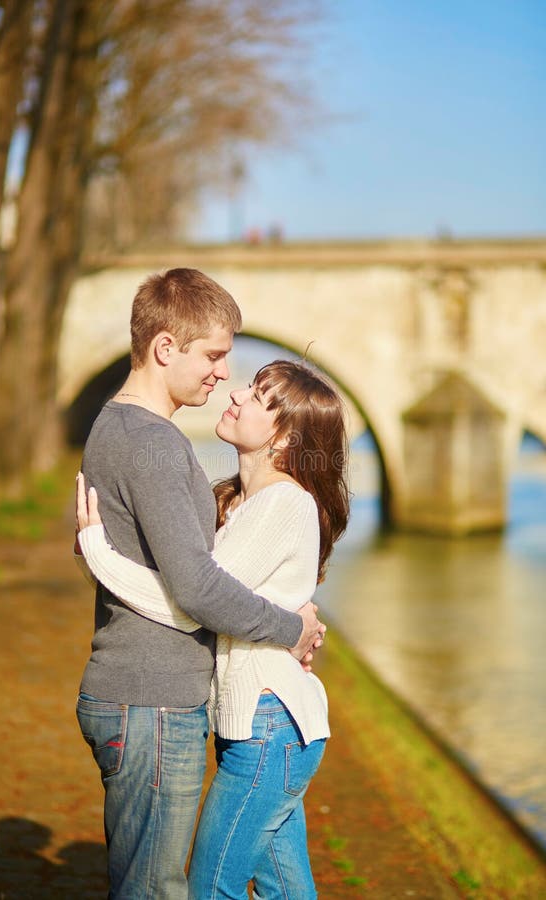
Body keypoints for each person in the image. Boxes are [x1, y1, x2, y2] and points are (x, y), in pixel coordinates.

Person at [74, 268, 325, 900]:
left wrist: (98, 554)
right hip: (152, 701)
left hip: (148, 699)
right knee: (160, 888)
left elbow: (180, 574)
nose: (222, 375)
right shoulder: (152, 441)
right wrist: (292, 623)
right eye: (213, 356)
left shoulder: (119, 429)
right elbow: (197, 591)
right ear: (165, 349)